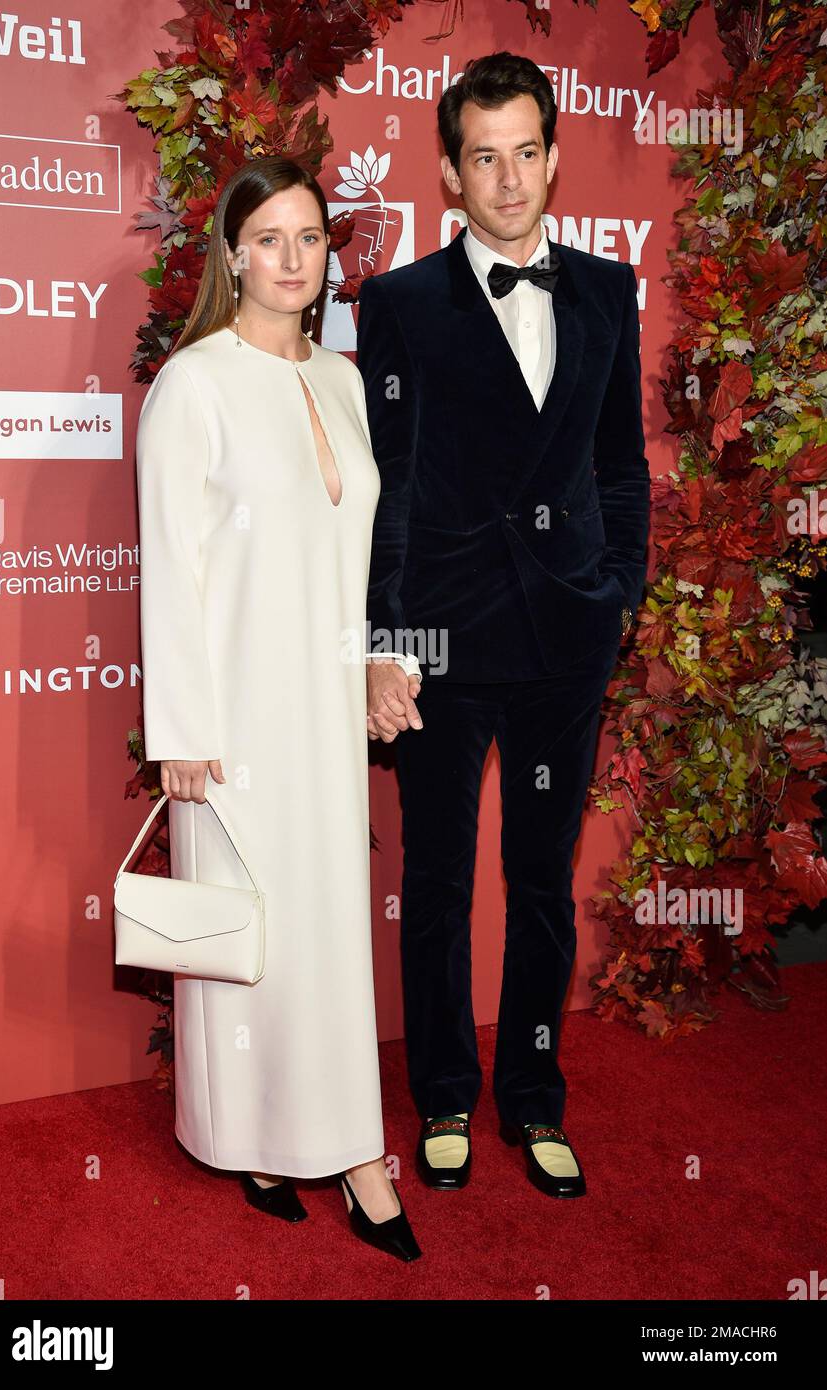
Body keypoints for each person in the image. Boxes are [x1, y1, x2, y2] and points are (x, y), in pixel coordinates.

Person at [358, 52, 650, 1197]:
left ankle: (531, 1096)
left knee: (539, 881)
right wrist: (384, 642)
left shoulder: (603, 290)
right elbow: (386, 486)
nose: (509, 178)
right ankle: (440, 1090)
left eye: (526, 152)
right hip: (444, 646)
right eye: (485, 157)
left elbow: (620, 466)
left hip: (565, 642)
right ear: (448, 172)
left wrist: (616, 588)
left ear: (554, 157)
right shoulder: (399, 304)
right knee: (434, 880)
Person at [135, 156, 421, 1261]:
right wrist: (185, 736)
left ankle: (343, 1140)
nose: (294, 260)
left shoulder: (344, 382)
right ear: (232, 253)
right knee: (250, 944)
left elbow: (352, 561)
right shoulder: (192, 383)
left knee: (325, 937)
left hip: (321, 715)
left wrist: (370, 665)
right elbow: (174, 566)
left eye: (312, 238)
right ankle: (266, 1138)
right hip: (235, 718)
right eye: (271, 239)